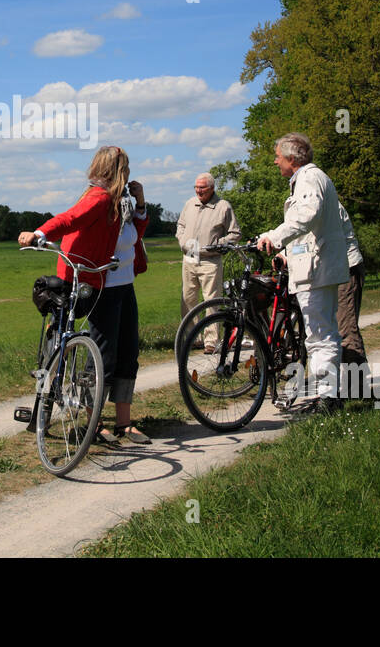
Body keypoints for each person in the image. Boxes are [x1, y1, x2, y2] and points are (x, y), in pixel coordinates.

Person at [18, 146, 150, 444]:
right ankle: (95, 421)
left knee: (128, 351)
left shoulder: (120, 201)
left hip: (123, 282)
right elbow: (69, 219)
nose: (129, 173)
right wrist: (40, 234)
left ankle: (124, 423)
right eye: (125, 168)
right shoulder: (99, 199)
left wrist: (140, 205)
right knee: (103, 353)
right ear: (117, 170)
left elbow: (134, 235)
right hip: (102, 283)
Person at [255, 132, 349, 413]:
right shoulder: (309, 179)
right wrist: (285, 254)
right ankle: (328, 395)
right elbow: (308, 232)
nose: (275, 162)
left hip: (317, 271)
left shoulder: (309, 178)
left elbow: (306, 217)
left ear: (292, 159)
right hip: (315, 268)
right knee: (320, 333)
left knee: (320, 335)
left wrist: (274, 237)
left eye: (278, 157)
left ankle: (328, 400)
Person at [177, 172, 241, 352]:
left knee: (211, 300)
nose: (198, 191)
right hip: (189, 258)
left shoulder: (223, 207)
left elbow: (235, 234)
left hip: (210, 261)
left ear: (212, 188)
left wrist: (216, 245)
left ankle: (211, 341)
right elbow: (180, 226)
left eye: (202, 187)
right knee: (188, 299)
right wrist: (182, 241)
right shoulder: (190, 204)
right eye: (196, 187)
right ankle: (192, 337)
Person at [337, 202, 368, 368]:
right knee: (340, 329)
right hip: (333, 270)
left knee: (346, 329)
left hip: (346, 268)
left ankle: (357, 388)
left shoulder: (319, 195)